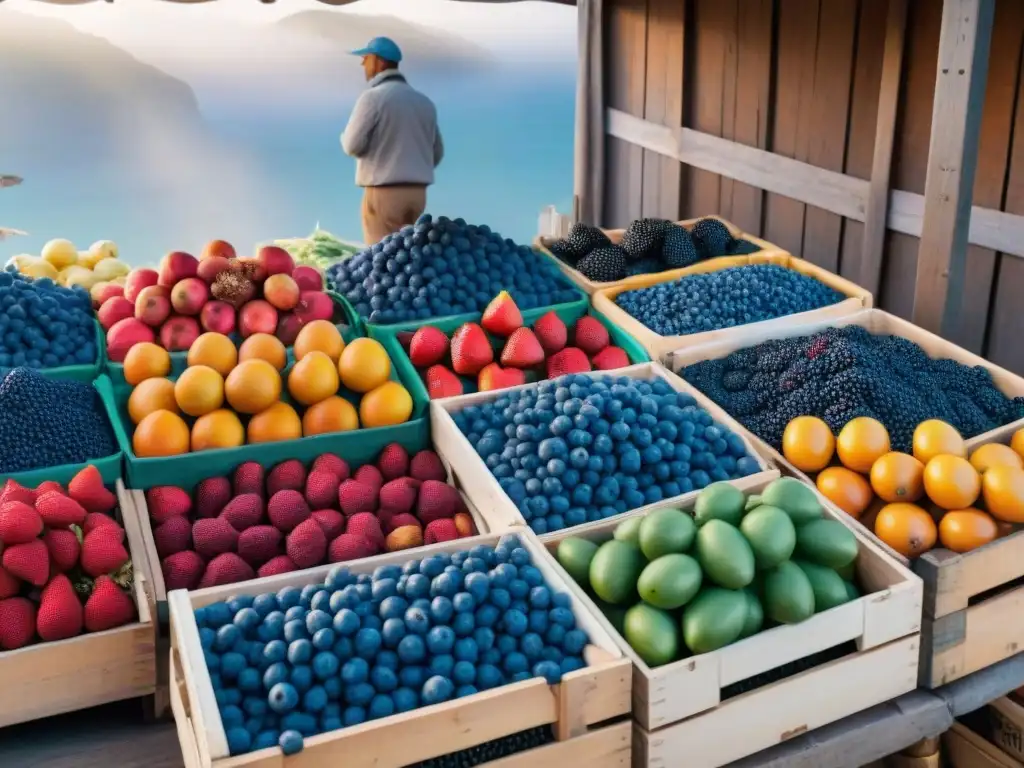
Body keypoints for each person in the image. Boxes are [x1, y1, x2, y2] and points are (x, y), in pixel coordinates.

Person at [341, 37, 444, 246]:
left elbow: (352, 145)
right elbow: (437, 153)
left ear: (380, 61)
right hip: (417, 194)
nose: (363, 64)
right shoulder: (424, 102)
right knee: (408, 256)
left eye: (366, 58)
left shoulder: (372, 98)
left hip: (384, 193)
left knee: (380, 259)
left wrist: (344, 137)